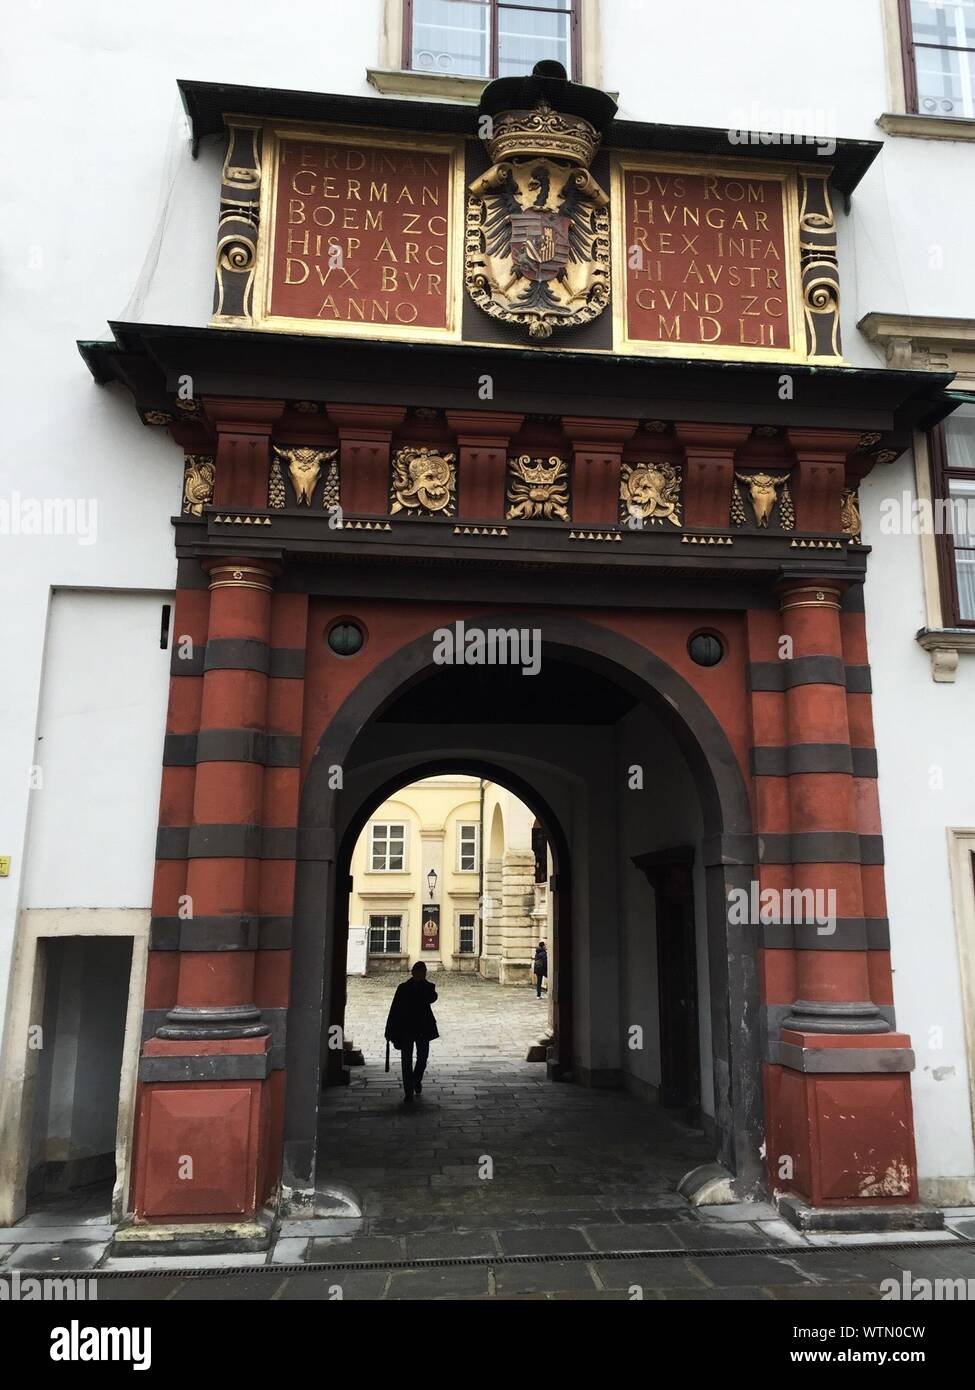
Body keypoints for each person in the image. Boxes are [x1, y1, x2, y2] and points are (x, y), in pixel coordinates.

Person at [384, 961, 439, 1103]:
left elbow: (432, 997)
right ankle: (408, 1091)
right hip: (406, 1029)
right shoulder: (403, 988)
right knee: (406, 1061)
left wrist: (423, 983)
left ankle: (416, 1079)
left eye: (424, 972)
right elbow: (394, 1009)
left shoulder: (428, 987)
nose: (423, 974)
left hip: (422, 1029)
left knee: (422, 1058)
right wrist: (389, 1030)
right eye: (421, 972)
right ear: (413, 972)